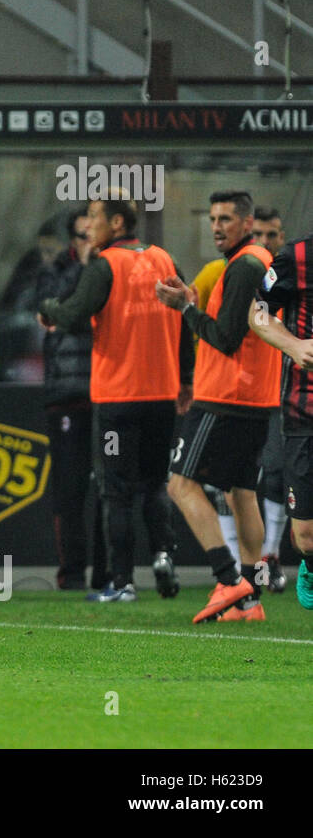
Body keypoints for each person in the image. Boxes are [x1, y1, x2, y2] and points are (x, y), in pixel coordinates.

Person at [38, 193, 193, 602]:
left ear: (118, 225)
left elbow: (72, 315)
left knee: (116, 490)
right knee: (155, 484)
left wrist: (49, 309)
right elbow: (186, 314)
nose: (89, 225)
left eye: (94, 217)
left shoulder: (106, 265)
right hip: (161, 395)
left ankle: (122, 582)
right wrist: (187, 379)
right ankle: (163, 557)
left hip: (118, 401)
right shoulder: (164, 259)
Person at [155, 191, 280, 622]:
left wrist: (185, 307)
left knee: (179, 485)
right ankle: (251, 600)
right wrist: (193, 300)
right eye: (212, 218)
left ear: (246, 223)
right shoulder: (256, 263)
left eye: (226, 218)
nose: (216, 226)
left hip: (226, 396)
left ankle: (228, 580)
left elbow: (226, 338)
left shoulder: (245, 265)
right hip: (257, 396)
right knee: (241, 493)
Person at [35, 208, 107, 591]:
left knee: (109, 487)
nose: (87, 242)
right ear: (72, 240)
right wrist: (83, 267)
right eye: (81, 236)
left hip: (109, 392)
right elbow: (54, 309)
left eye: (91, 234)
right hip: (67, 394)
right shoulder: (54, 271)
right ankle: (73, 574)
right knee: (69, 487)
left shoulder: (112, 267)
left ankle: (107, 574)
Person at [249, 224, 313, 609]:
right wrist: (292, 346)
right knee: (305, 536)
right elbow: (257, 312)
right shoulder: (296, 257)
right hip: (302, 408)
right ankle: (308, 563)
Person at [251, 206, 289, 590]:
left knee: (279, 472)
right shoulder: (235, 271)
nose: (266, 242)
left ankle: (270, 555)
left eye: (272, 235)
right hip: (250, 389)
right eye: (259, 234)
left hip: (286, 386)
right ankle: (252, 561)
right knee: (254, 473)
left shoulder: (293, 273)